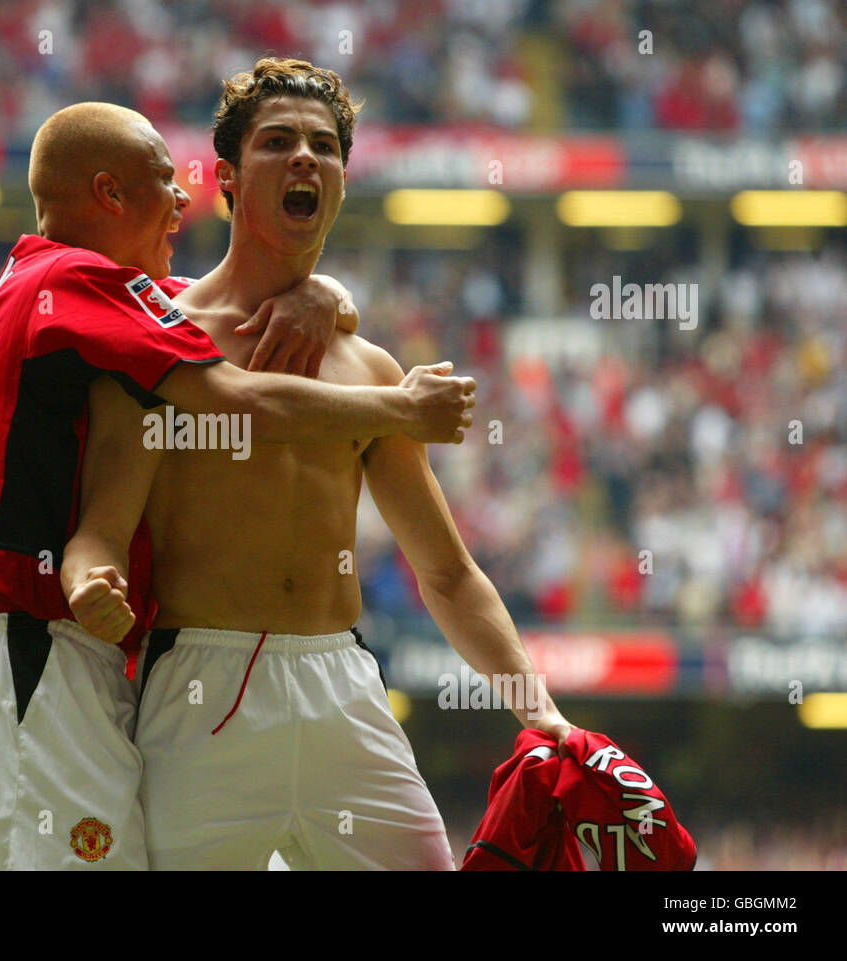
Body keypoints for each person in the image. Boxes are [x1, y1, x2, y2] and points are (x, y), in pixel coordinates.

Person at [0, 101, 476, 870]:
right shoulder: (79, 279)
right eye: (162, 181)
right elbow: (239, 397)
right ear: (111, 195)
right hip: (29, 648)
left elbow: (220, 299)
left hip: (43, 650)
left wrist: (323, 292)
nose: (183, 201)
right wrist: (404, 408)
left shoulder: (53, 281)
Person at [61, 59, 573, 869]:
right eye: (278, 142)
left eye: (325, 146)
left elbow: (447, 572)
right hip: (201, 691)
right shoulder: (156, 339)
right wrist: (90, 577)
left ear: (341, 177)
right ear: (227, 178)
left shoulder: (370, 369)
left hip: (343, 682)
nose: (306, 157)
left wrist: (536, 707)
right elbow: (102, 528)